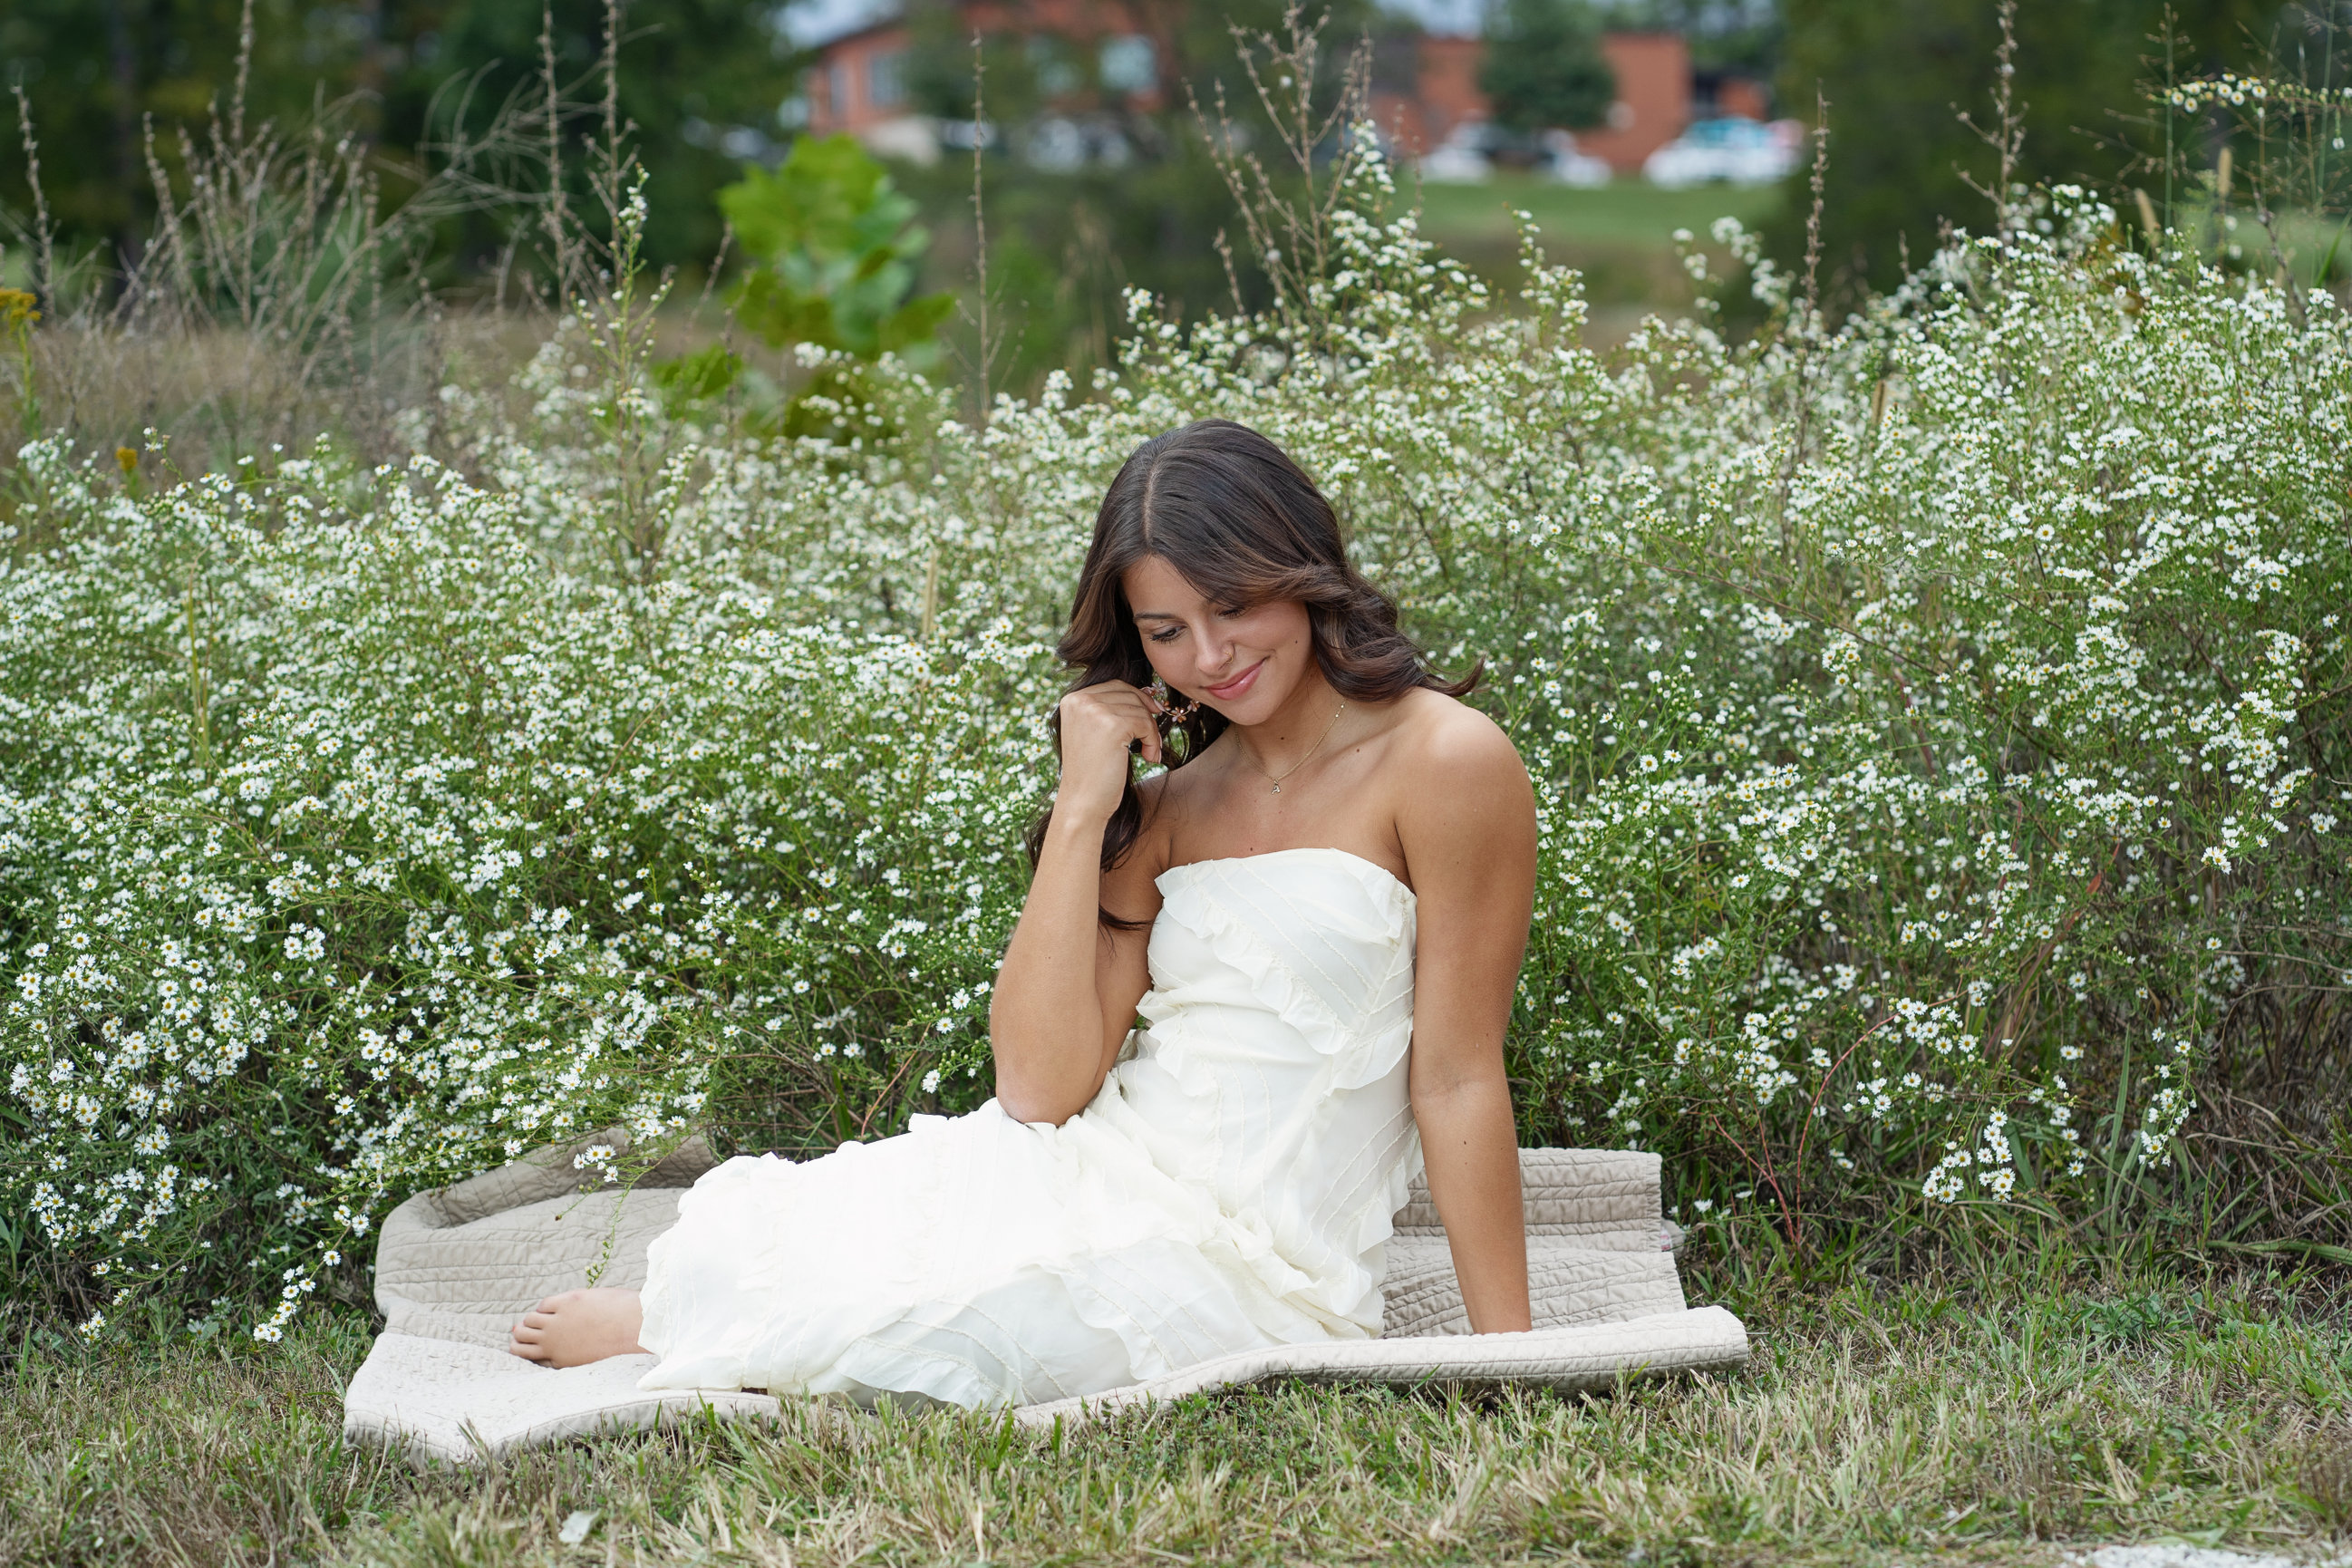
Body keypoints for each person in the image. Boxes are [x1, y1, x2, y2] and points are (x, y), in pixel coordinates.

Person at [509, 418, 1538, 1405]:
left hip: (1261, 1265)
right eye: (1167, 632)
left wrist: (1517, 1357)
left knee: (981, 1331)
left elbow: (1453, 1075)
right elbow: (1040, 1089)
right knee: (850, 1214)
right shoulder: (1172, 806)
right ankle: (687, 1315)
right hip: (1102, 1166)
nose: (1212, 656)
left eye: (1234, 606)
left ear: (1302, 567)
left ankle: (703, 1329)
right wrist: (1087, 805)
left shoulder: (1444, 761)